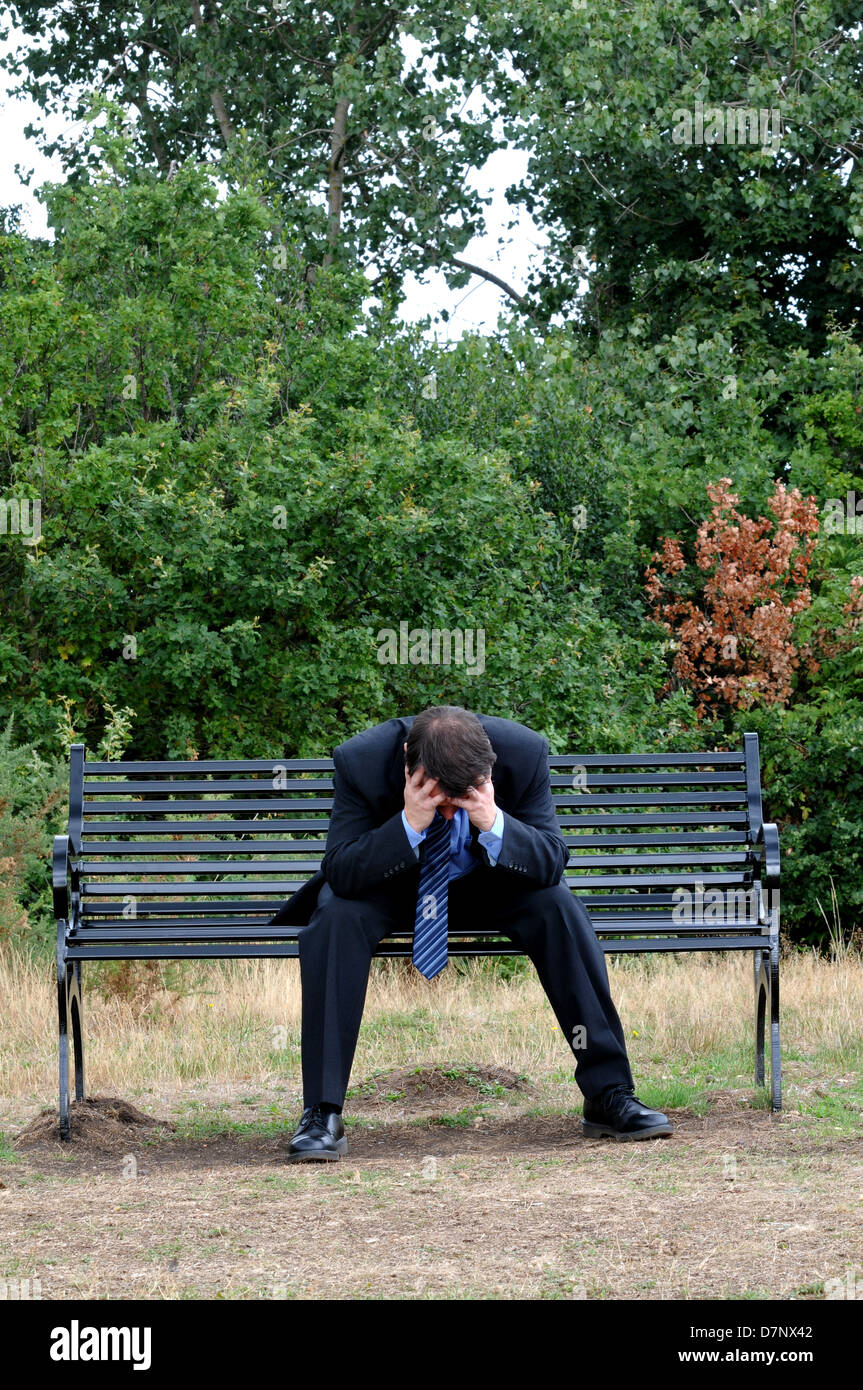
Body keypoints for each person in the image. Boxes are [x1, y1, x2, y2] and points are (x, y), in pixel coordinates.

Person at [269, 705, 673, 1161]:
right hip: (394, 884)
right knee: (334, 920)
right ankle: (323, 1111)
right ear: (408, 760)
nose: (448, 807)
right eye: (440, 794)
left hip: (490, 882)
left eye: (460, 794)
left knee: (559, 907)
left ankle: (608, 1092)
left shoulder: (524, 752)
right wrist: (409, 822)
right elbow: (341, 871)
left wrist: (492, 819)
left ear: (488, 767)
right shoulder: (360, 760)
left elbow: (551, 862)